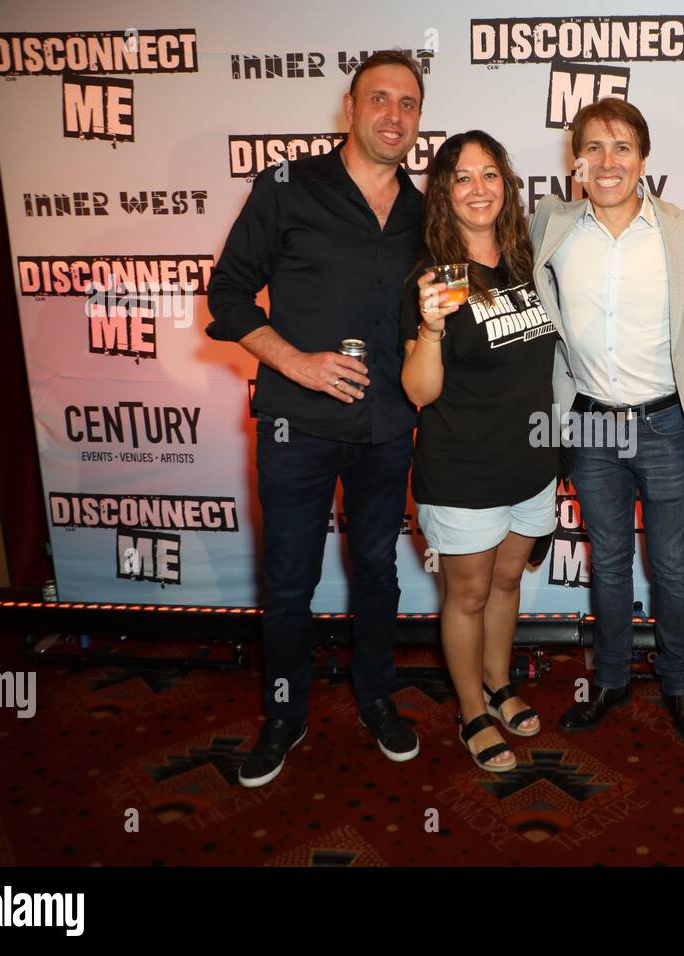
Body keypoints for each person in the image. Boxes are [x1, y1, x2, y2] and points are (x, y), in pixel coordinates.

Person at [206, 51, 427, 788]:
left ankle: (377, 698)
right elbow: (229, 295)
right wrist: (295, 361)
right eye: (380, 100)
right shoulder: (287, 186)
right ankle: (283, 713)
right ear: (350, 108)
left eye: (408, 104)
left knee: (376, 572)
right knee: (290, 580)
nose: (394, 116)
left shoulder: (426, 211)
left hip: (389, 426)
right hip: (293, 424)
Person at [530, 98, 684, 744]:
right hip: (590, 426)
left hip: (666, 423)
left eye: (623, 148)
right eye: (594, 149)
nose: (609, 163)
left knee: (670, 565)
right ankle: (609, 681)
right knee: (607, 560)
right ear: (574, 159)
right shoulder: (547, 227)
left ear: (644, 159)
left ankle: (681, 687)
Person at [403, 131, 558, 772]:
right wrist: (432, 330)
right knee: (466, 596)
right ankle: (471, 711)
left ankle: (498, 684)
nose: (477, 188)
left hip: (532, 464)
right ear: (444, 192)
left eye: (489, 174)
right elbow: (419, 390)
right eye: (462, 177)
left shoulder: (527, 260)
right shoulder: (432, 274)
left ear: (506, 185)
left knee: (505, 581)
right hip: (463, 469)